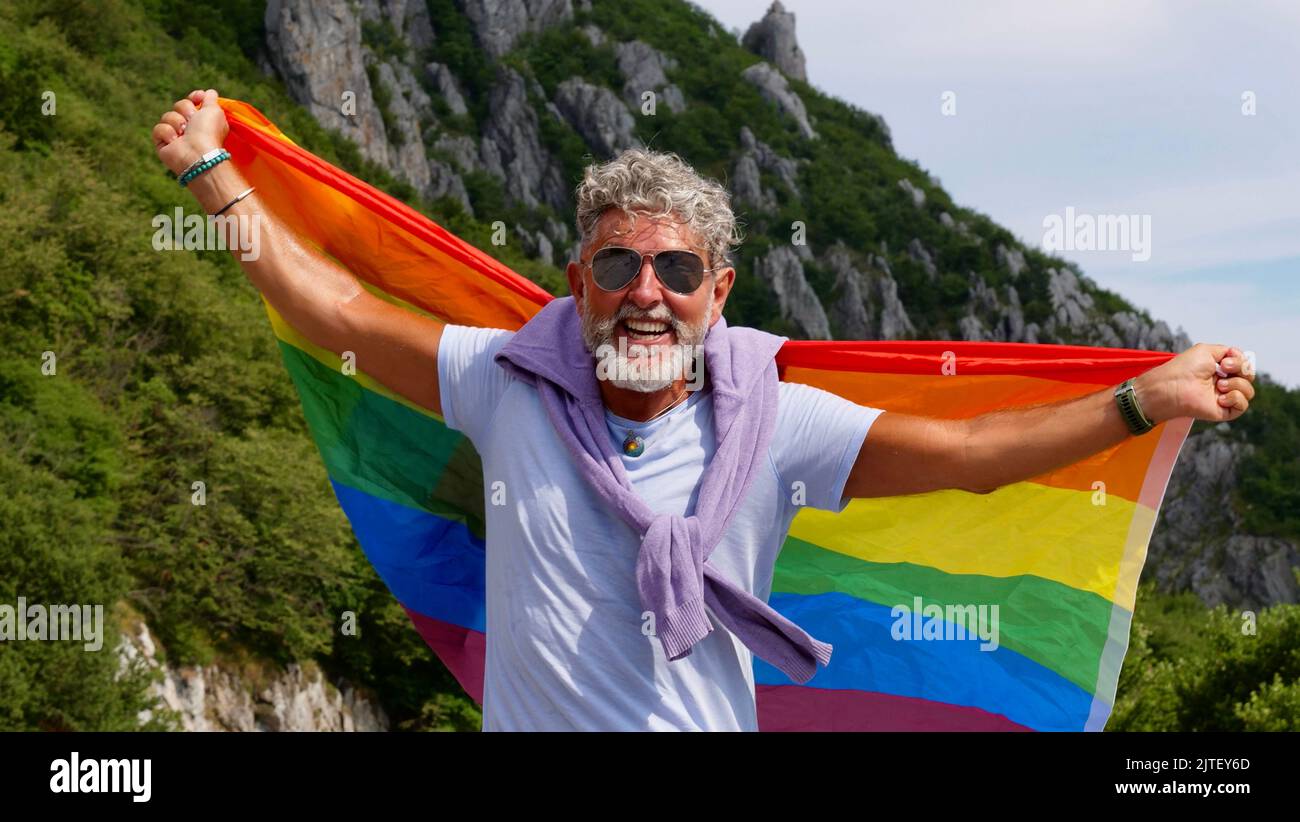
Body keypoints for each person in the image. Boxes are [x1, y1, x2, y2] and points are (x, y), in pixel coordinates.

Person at [153, 89, 1257, 731]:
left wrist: (1139, 401)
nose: (647, 291)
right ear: (577, 281)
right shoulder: (504, 379)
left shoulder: (777, 423)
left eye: (676, 269)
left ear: (717, 292)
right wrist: (211, 172)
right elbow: (335, 307)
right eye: (619, 264)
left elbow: (973, 450)